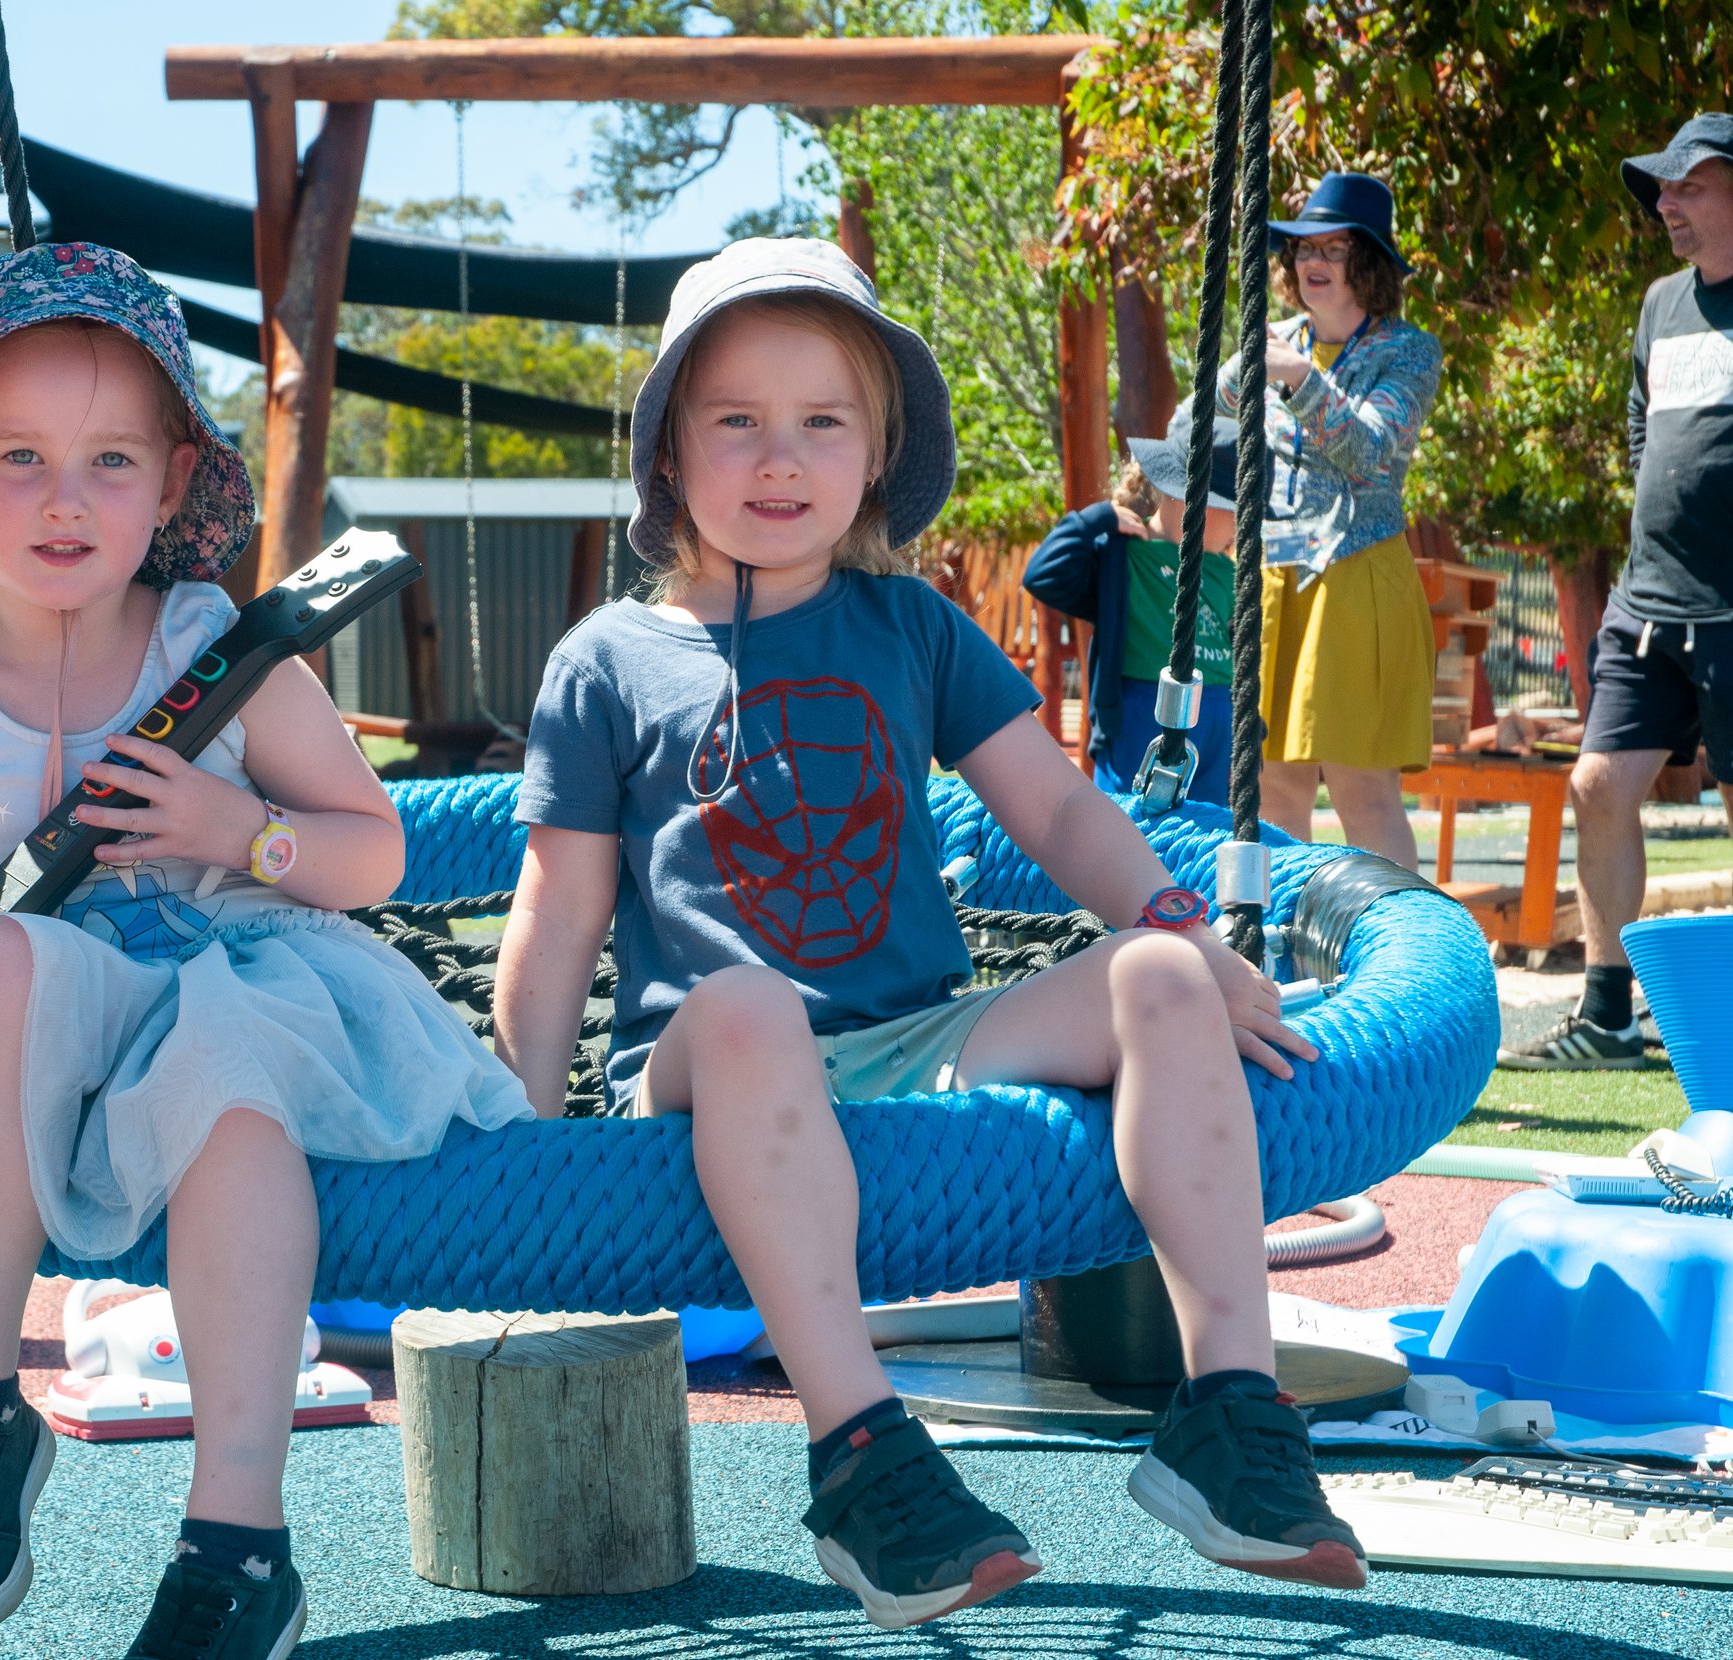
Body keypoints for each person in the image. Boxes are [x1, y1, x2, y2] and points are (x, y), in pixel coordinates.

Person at [495, 238, 1352, 1634]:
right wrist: (520, 1143)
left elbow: (1057, 810)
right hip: (705, 1067)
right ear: (668, 454)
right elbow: (557, 913)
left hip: (911, 1037)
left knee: (1157, 977)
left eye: (822, 422)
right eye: (736, 421)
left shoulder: (911, 624)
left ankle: (1227, 1411)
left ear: (878, 453)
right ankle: (861, 1452)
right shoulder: (609, 659)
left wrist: (1184, 927)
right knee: (750, 1003)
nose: (781, 458)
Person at [0, 243, 531, 1654]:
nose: (65, 499)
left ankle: (238, 1538)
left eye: (111, 461)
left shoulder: (218, 650)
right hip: (51, 1007)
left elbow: (371, 855)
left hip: (251, 981)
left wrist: (237, 825)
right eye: (20, 457)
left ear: (174, 483)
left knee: (225, 1088)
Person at [1506, 115, 1733, 1068]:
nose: (1666, 204)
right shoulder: (1658, 305)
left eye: (1687, 186)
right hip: (1649, 603)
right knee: (1598, 786)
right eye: (1662, 190)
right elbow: (1644, 428)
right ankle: (1609, 1015)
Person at [1219, 172, 1443, 869]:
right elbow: (1219, 403)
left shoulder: (1409, 351)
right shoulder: (1280, 336)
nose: (1313, 261)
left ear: (1367, 262)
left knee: (1363, 791)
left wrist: (1297, 376)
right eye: (1304, 248)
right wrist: (1248, 365)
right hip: (1272, 582)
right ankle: (1276, 930)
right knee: (1272, 787)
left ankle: (1403, 934)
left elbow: (1370, 451)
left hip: (1356, 579)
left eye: (1334, 249)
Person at [1024, 406, 1241, 802]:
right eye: (1235, 512)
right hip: (1139, 716)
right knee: (1129, 823)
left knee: (1210, 830)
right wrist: (1096, 519)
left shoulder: (1225, 570)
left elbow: (1238, 650)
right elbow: (1042, 574)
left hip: (1217, 719)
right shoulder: (1123, 557)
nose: (1240, 528)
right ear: (1196, 502)